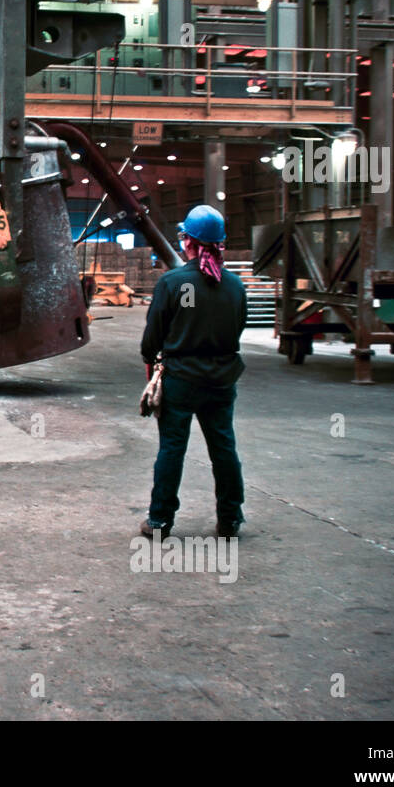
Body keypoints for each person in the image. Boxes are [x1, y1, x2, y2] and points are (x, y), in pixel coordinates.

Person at [139, 204, 247, 539]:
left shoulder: (174, 283)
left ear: (189, 243)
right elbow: (237, 329)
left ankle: (159, 522)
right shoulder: (235, 286)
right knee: (223, 448)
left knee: (172, 448)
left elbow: (152, 338)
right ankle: (230, 520)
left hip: (181, 380)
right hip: (221, 381)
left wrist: (151, 363)